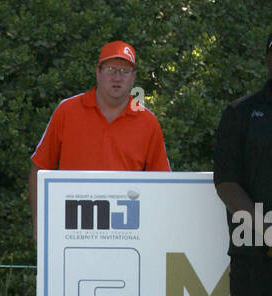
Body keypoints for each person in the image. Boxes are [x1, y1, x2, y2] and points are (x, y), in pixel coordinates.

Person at [28, 41, 170, 239]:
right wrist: (40, 223)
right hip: (71, 229)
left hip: (127, 232)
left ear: (133, 77)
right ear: (98, 72)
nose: (117, 77)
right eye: (111, 69)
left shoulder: (148, 121)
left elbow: (162, 185)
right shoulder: (67, 111)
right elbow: (39, 169)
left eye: (125, 71)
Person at [213, 33, 272, 296]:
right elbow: (228, 182)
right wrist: (265, 231)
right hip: (255, 252)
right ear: (267, 57)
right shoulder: (240, 113)